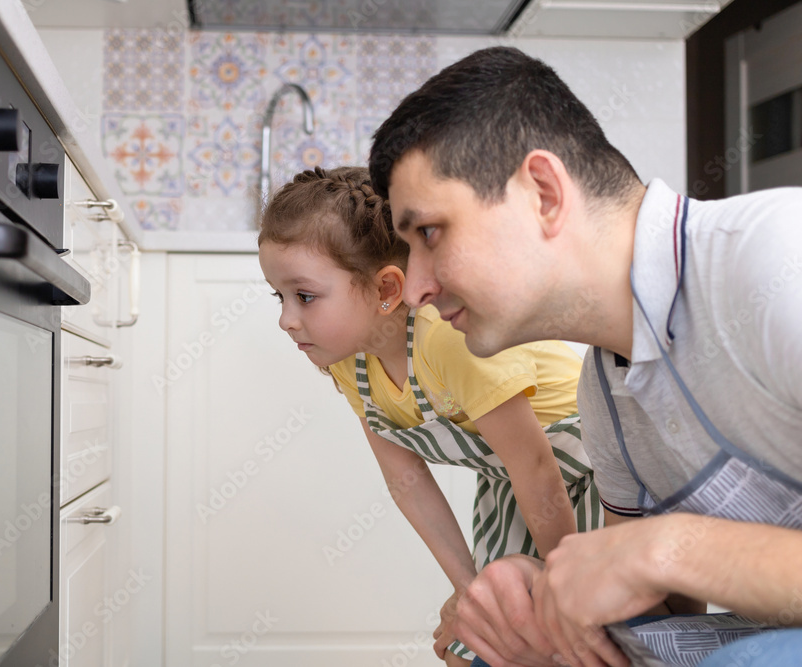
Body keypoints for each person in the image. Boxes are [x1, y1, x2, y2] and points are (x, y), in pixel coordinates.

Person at [368, 45, 802, 667]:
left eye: (430, 234)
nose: (415, 289)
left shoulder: (778, 261)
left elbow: (661, 561)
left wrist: (667, 546)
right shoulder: (606, 395)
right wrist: (545, 600)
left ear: (543, 192)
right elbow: (659, 619)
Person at [257, 165, 604, 665]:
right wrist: (469, 593)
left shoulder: (450, 336)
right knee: (471, 646)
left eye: (305, 296)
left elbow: (535, 466)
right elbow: (408, 483)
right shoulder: (350, 361)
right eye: (280, 297)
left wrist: (561, 592)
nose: (287, 319)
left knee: (579, 637)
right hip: (515, 487)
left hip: (589, 475)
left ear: (386, 290)